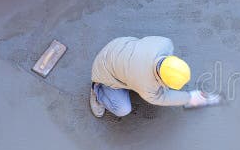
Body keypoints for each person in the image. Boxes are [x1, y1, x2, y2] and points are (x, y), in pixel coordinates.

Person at [89, 36, 219, 117]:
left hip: (117, 47)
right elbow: (162, 98)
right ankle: (97, 90)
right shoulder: (147, 86)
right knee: (123, 109)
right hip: (104, 72)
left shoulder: (165, 44)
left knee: (133, 76)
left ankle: (125, 77)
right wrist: (190, 98)